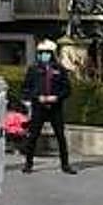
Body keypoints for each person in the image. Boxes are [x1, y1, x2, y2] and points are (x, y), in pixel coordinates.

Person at [21, 39, 76, 175]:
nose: (43, 55)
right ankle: (28, 164)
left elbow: (67, 89)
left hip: (55, 108)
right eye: (41, 53)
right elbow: (26, 89)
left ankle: (65, 164)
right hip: (39, 107)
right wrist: (37, 97)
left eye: (46, 53)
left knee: (60, 136)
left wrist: (57, 97)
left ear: (52, 54)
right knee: (33, 136)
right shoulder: (33, 69)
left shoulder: (60, 69)